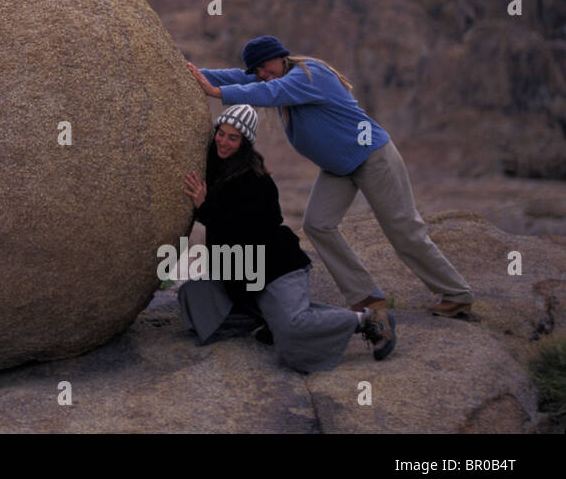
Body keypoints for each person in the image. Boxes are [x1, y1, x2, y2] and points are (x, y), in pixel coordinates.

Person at [187, 35, 475, 317]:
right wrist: (193, 73)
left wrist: (217, 94)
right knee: (317, 224)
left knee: (403, 230)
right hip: (339, 168)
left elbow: (270, 93)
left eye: (266, 66)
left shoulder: (309, 75)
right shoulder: (274, 79)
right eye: (258, 70)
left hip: (373, 156)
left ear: (281, 57)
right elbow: (240, 77)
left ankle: (457, 294)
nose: (263, 74)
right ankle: (367, 297)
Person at [178, 104, 397, 371]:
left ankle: (367, 320)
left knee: (293, 328)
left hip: (275, 270)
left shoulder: (257, 183)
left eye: (232, 137)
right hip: (242, 277)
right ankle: (269, 318)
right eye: (220, 134)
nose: (223, 142)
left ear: (244, 142)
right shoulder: (215, 167)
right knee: (193, 297)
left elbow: (246, 235)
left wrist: (206, 207)